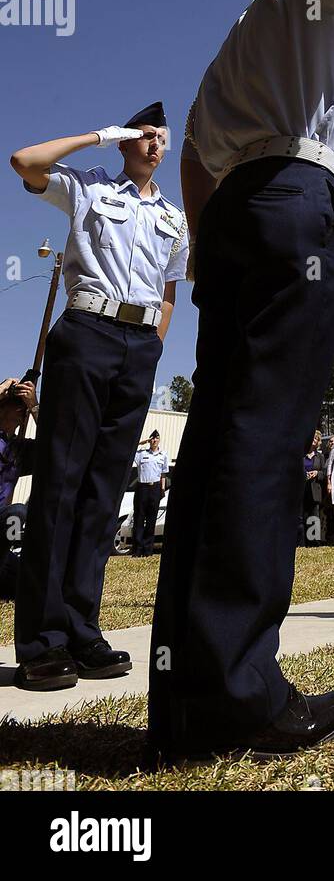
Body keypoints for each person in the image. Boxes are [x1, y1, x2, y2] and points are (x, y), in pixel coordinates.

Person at [149, 0, 334, 761]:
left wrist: (199, 253)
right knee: (265, 435)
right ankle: (240, 694)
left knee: (218, 442)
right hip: (295, 197)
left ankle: (186, 694)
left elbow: (192, 157)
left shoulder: (224, 54)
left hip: (230, 219)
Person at [10, 105, 186, 689]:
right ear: (125, 142)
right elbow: (23, 161)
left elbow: (169, 290)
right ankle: (42, 640)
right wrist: (100, 135)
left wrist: (154, 347)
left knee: (105, 491)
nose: (155, 144)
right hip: (86, 333)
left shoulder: (173, 218)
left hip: (137, 347)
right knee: (61, 483)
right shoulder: (87, 188)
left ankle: (83, 628)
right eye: (145, 135)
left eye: (162, 137)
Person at [0, 378, 38, 601]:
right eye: (16, 406)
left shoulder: (18, 449)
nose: (21, 413)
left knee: (29, 583)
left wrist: (34, 406)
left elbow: (56, 445)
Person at [131, 430, 169, 557]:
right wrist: (144, 441)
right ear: (149, 440)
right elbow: (132, 446)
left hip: (155, 488)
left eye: (156, 438)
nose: (154, 441)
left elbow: (163, 474)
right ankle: (137, 550)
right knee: (139, 518)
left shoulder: (163, 455)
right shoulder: (141, 454)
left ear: (159, 440)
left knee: (151, 520)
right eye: (152, 439)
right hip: (142, 488)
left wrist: (162, 489)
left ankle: (148, 550)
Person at [300, 431, 326, 546]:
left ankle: (314, 543)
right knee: (302, 518)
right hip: (302, 491)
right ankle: (302, 543)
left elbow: (324, 473)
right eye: (312, 438)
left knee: (314, 518)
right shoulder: (301, 456)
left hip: (315, 491)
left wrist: (317, 473)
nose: (313, 440)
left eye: (316, 438)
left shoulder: (320, 457)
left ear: (318, 441)